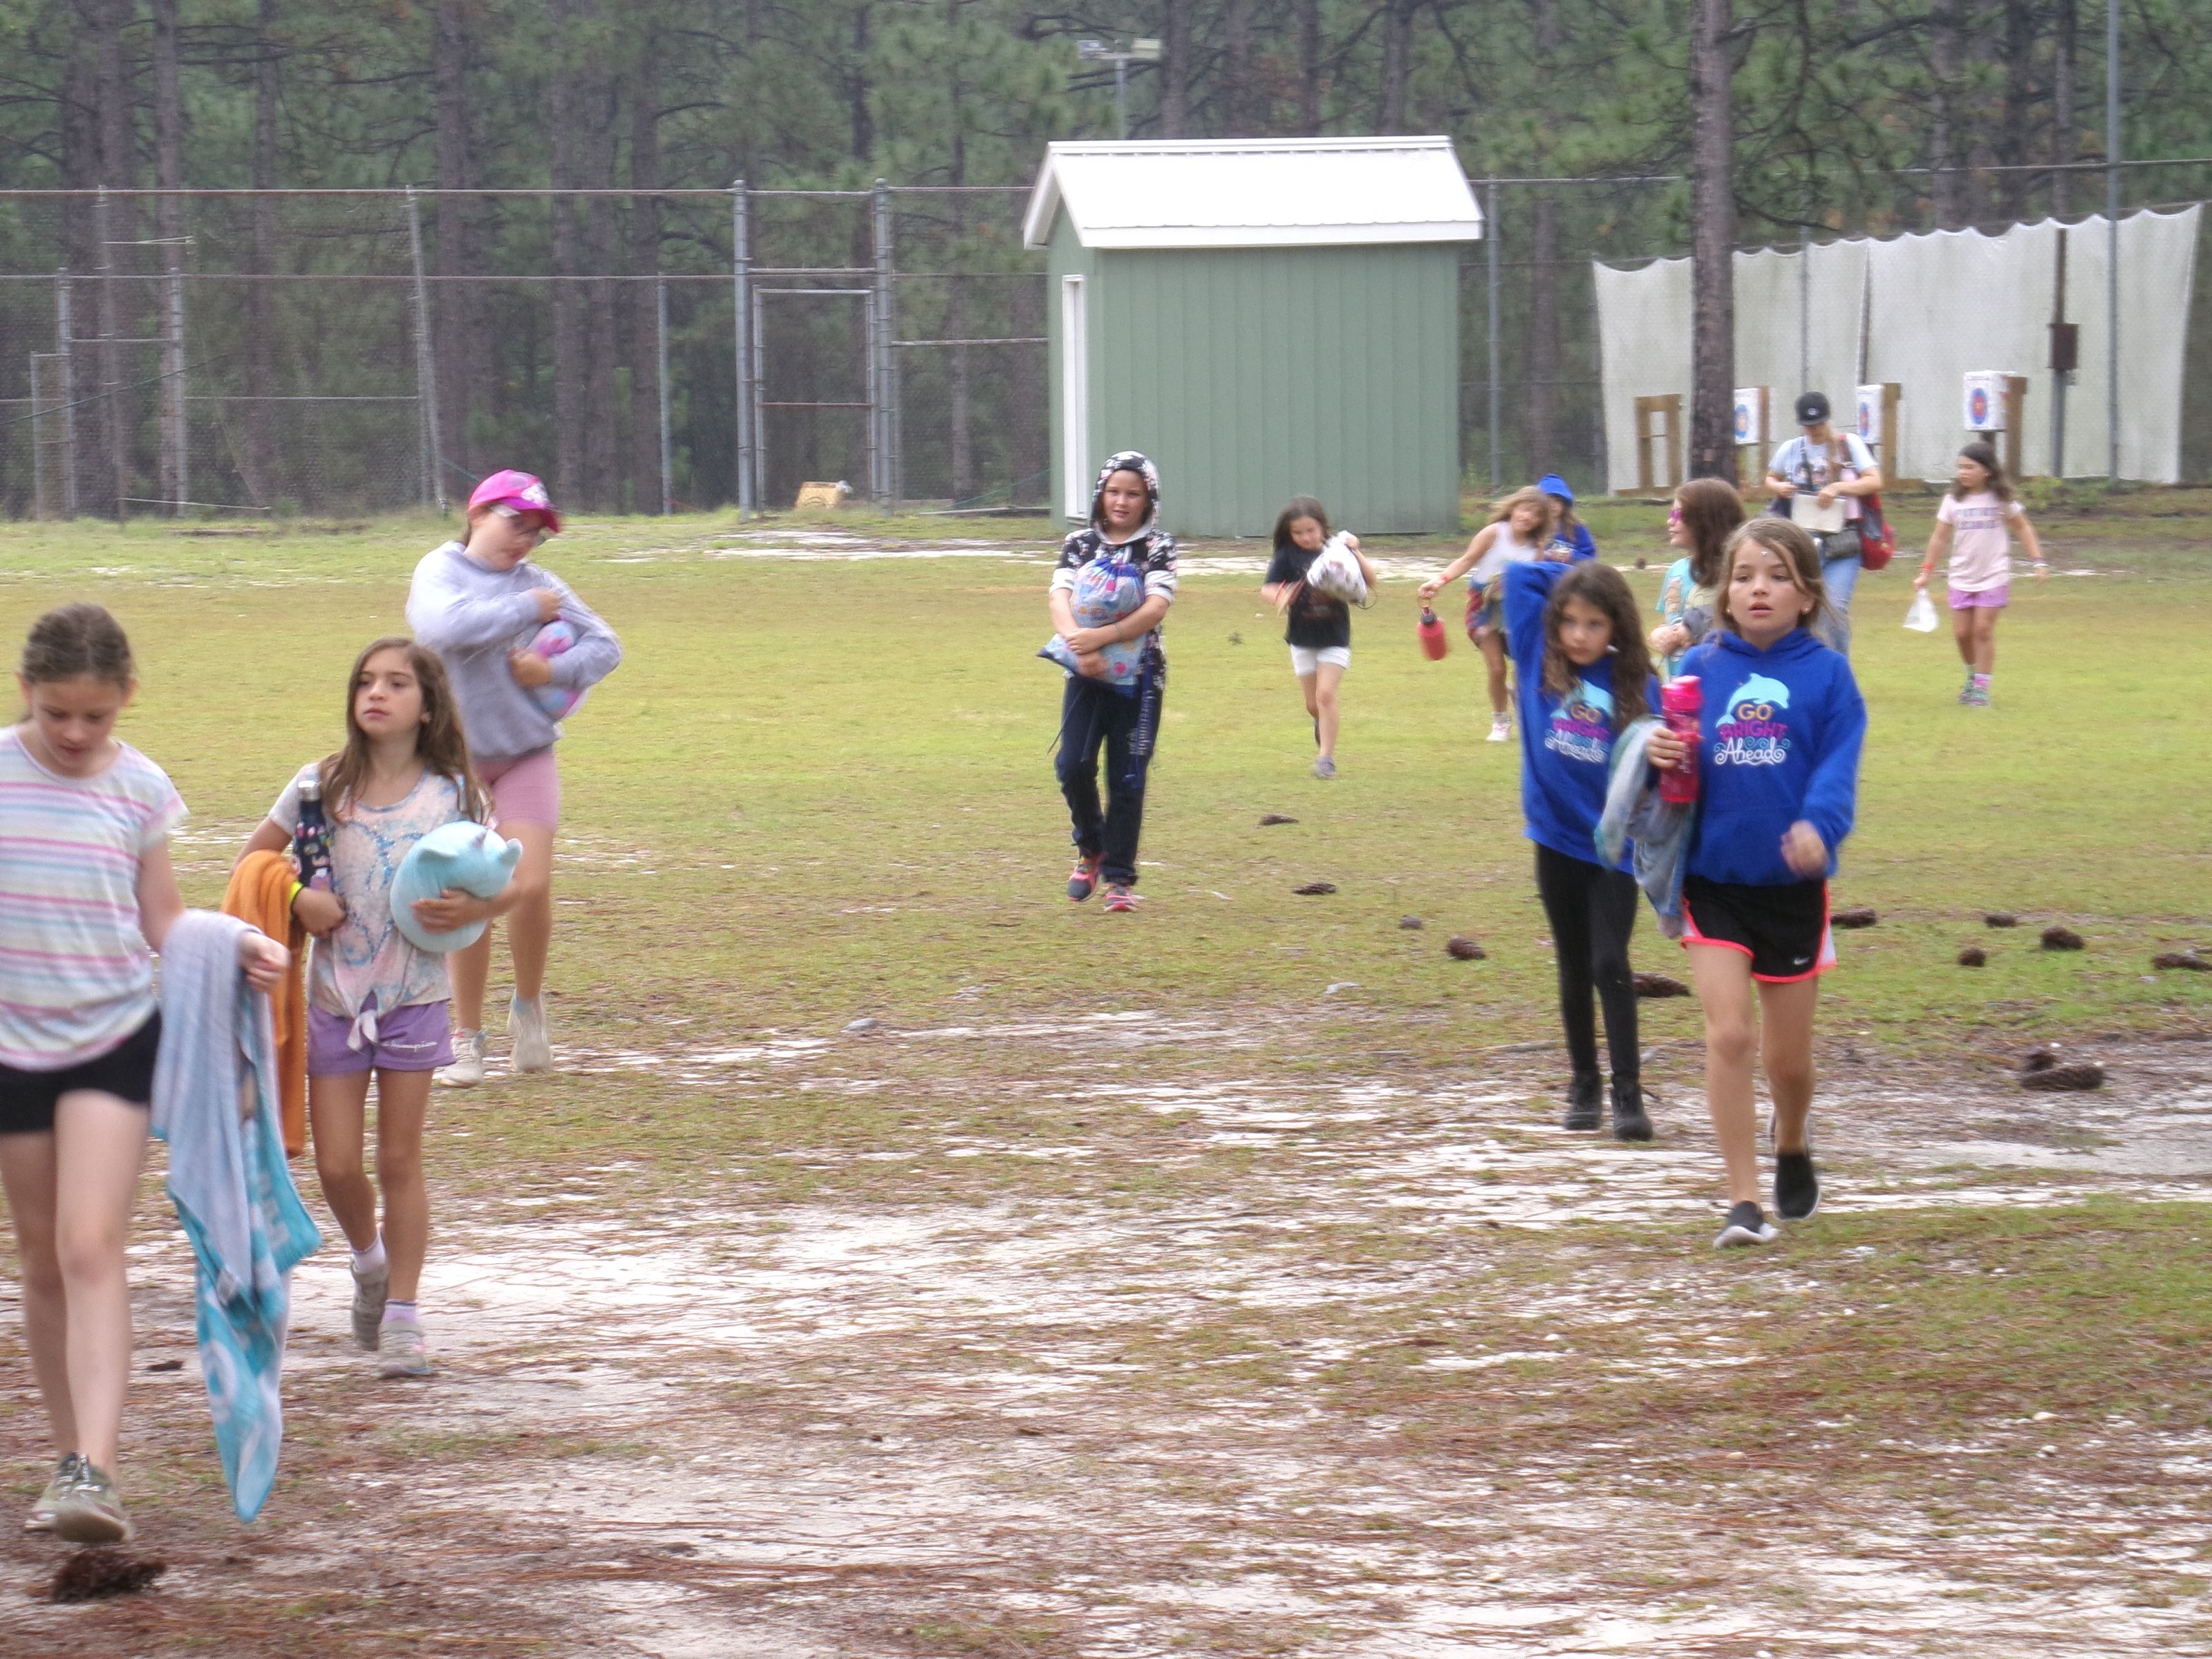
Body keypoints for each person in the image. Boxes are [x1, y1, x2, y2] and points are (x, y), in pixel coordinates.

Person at [0, 605, 288, 1543]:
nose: (77, 734)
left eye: (95, 716)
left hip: (115, 1037)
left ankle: (98, 1471)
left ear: (126, 697)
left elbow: (161, 919)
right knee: (41, 1258)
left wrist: (235, 941)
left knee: (90, 1247)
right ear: (25, 695)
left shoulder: (140, 787)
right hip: (12, 1048)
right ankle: (67, 1459)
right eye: (56, 716)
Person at [236, 639, 496, 1379]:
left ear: (428, 705)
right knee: (340, 1165)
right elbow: (252, 861)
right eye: (364, 682)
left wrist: (476, 904)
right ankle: (369, 1262)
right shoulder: (320, 787)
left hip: (416, 999)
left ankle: (405, 1319)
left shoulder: (457, 794)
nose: (376, 693)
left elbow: (502, 879)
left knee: (399, 1160)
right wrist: (297, 898)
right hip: (332, 1001)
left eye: (396, 683)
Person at [1646, 519, 1866, 1248]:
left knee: (1788, 1063)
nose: (1757, 588)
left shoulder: (1829, 676)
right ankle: (1742, 1200)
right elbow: (1665, 774)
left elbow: (1836, 768)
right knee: (1728, 1034)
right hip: (1712, 882)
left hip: (1792, 888)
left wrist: (1817, 827)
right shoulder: (1697, 674)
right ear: (1723, 594)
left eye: (1774, 575)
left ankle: (1793, 1138)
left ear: (1806, 594)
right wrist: (1655, 749)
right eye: (1742, 576)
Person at [406, 470, 620, 1086]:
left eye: (537, 532)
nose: (525, 540)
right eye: (516, 523)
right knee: (467, 891)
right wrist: (527, 610)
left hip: (526, 753)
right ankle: (465, 1039)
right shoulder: (441, 572)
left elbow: (606, 645)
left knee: (529, 884)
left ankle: (528, 1008)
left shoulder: (544, 582)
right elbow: (441, 630)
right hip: (456, 762)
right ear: (478, 513)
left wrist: (548, 674)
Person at [1502, 559, 1660, 1141]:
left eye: (1595, 624)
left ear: (1617, 626)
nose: (1578, 635)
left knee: (1609, 962)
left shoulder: (1638, 684)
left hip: (1614, 849)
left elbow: (1660, 768)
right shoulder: (1537, 659)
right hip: (1555, 841)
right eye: (1568, 621)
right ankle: (1583, 1084)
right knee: (1572, 963)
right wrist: (1568, 568)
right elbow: (1519, 578)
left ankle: (1627, 1092)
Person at [1051, 451, 1177, 912]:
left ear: (1149, 500)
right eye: (1114, 492)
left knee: (1128, 776)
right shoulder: (1079, 544)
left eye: (1134, 493)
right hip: (1084, 673)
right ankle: (1091, 848)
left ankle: (1119, 879)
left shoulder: (1159, 547)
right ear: (1101, 494)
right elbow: (1059, 597)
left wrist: (1103, 636)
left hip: (1141, 680)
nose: (1122, 502)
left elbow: (1156, 607)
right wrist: (1077, 645)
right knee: (1072, 765)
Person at [1416, 485, 1559, 743]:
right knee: (1496, 669)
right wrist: (1439, 581)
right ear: (1514, 507)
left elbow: (1539, 583)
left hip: (1518, 609)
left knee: (1524, 667)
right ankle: (1500, 721)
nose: (1527, 516)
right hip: (1483, 607)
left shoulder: (1537, 547)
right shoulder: (1494, 533)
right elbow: (1467, 560)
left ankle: (1524, 706)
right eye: (1525, 509)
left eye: (1536, 514)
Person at [1914, 440, 2046, 706]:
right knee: (1962, 634)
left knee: (1982, 630)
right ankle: (1972, 678)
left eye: (1969, 467)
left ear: (1987, 471)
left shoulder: (2001, 499)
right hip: (1961, 576)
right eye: (1960, 467)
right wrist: (1926, 571)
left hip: (1994, 574)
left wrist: (2038, 561)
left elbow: (2023, 528)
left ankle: (1982, 689)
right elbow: (1939, 538)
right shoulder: (1953, 501)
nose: (1963, 473)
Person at [1260, 496, 1377, 780]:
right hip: (1301, 639)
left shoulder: (1337, 550)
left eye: (1310, 531)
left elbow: (1371, 581)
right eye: (1298, 533)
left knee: (1326, 695)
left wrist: (1356, 553)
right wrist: (1281, 595)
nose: (1305, 537)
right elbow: (1267, 588)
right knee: (1313, 704)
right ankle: (1319, 721)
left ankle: (1326, 758)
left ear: (1322, 527)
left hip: (1335, 637)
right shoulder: (1287, 556)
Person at [1763, 391, 1882, 656]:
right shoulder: (1791, 448)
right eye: (1808, 425)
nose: (1815, 430)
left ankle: (1839, 670)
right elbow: (1770, 478)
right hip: (1801, 543)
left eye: (1819, 424)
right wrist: (1779, 486)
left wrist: (1839, 487)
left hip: (1843, 541)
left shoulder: (1847, 445)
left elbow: (1875, 480)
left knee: (1834, 608)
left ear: (1828, 420)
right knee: (1799, 609)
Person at [1649, 477, 1746, 677]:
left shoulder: (1735, 574)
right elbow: (1671, 619)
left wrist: (1694, 630)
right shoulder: (1676, 571)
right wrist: (1658, 634)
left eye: (1678, 514)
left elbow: (1739, 625)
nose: (1670, 521)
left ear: (1706, 521)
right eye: (1671, 513)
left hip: (1719, 681)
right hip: (1678, 685)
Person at [1537, 473, 1598, 562]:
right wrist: (1547, 556)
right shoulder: (1534, 527)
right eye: (1548, 500)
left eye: (1557, 501)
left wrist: (1572, 556)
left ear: (1565, 504)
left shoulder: (1576, 528)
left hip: (1571, 573)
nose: (1552, 505)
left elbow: (1591, 558)